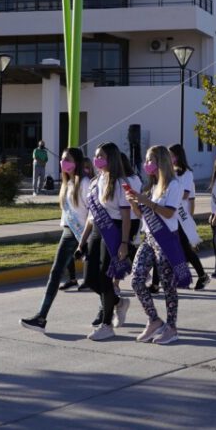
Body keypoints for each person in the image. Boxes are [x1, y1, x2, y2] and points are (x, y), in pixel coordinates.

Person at [20, 146, 91, 333]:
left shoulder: (84, 184)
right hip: (68, 232)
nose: (63, 163)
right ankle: (41, 317)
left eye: (67, 159)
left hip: (84, 235)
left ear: (77, 162)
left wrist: (85, 241)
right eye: (62, 159)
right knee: (55, 273)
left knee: (98, 281)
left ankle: (115, 303)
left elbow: (93, 213)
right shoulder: (66, 183)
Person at [126, 145, 187, 345]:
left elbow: (169, 213)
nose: (147, 164)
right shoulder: (151, 186)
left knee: (168, 286)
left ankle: (172, 327)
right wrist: (135, 202)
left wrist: (147, 201)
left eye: (151, 160)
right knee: (136, 279)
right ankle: (154, 320)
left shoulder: (174, 185)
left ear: (161, 161)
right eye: (146, 160)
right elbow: (141, 215)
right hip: (149, 238)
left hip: (165, 239)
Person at [76, 142, 137, 340]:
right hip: (97, 230)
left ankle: (106, 324)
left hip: (114, 231)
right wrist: (82, 241)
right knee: (90, 279)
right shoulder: (97, 180)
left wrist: (124, 243)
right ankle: (119, 303)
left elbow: (126, 216)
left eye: (101, 156)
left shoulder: (120, 183)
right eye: (95, 155)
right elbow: (91, 215)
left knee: (104, 278)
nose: (97, 159)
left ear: (111, 158)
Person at [169, 144, 211, 291]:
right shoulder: (169, 172)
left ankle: (201, 276)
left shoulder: (187, 173)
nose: (170, 158)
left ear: (178, 156)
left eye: (172, 155)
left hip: (181, 217)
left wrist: (170, 193)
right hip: (170, 216)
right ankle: (183, 277)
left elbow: (186, 194)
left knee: (186, 250)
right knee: (176, 249)